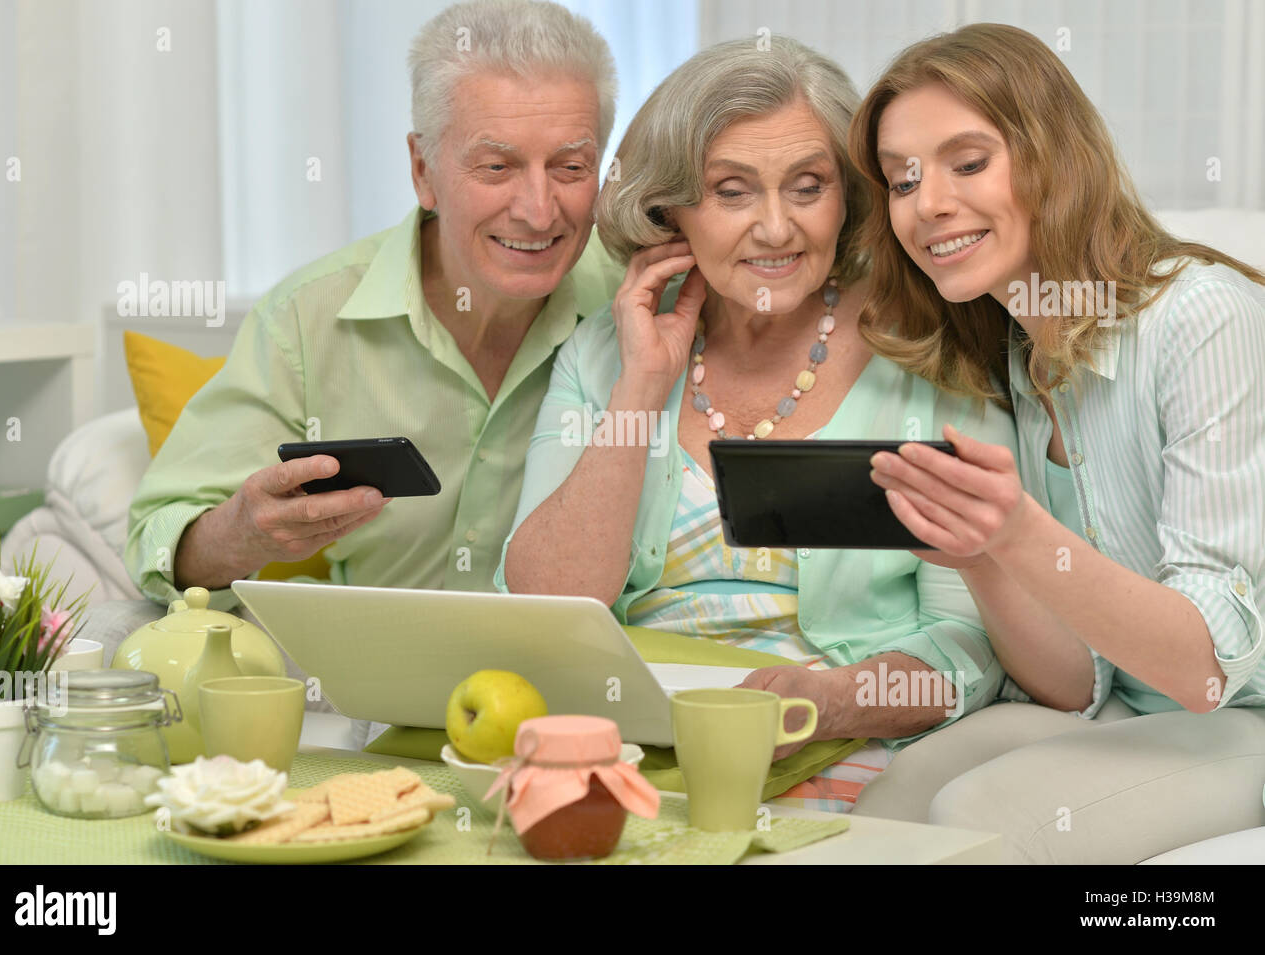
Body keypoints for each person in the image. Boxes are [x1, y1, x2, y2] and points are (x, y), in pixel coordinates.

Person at [496, 36, 1017, 812]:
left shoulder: (929, 351)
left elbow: (974, 645)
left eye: (807, 187)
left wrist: (831, 698)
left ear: (849, 197)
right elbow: (542, 605)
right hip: (633, 737)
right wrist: (642, 386)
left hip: (837, 746)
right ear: (668, 208)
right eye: (733, 192)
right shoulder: (609, 351)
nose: (776, 229)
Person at [846, 22, 1265, 861]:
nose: (927, 204)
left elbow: (1207, 674)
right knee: (887, 802)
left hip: (1238, 716)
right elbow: (1076, 682)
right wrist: (978, 555)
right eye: (903, 179)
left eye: (969, 163)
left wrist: (1018, 534)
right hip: (1128, 714)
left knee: (982, 813)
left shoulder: (1201, 318)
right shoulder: (1020, 348)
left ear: (1055, 160)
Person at [124, 0, 623, 612]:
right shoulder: (306, 320)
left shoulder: (645, 305)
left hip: (584, 687)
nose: (540, 210)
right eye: (497, 167)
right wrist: (244, 533)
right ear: (423, 169)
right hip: (369, 690)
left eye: (571, 167)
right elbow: (159, 543)